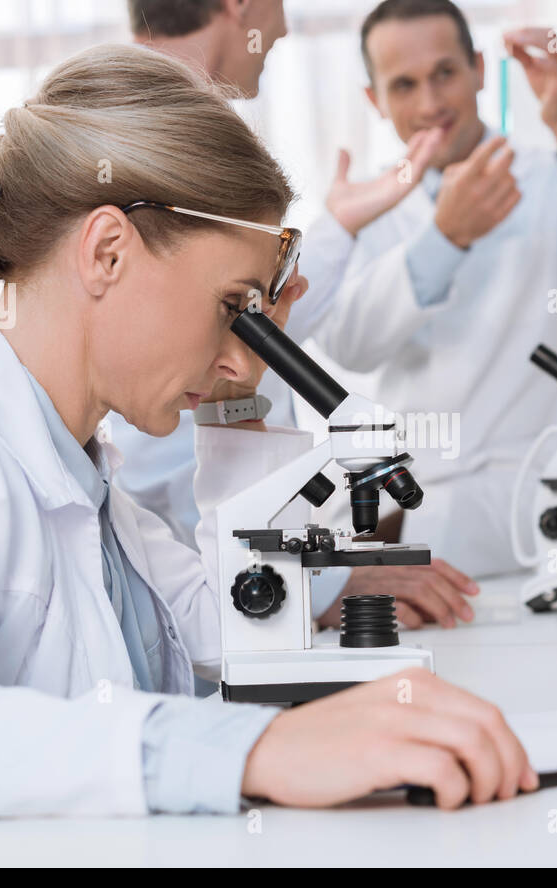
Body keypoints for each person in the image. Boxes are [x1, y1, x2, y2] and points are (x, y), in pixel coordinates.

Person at [0, 44, 535, 867]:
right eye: (233, 307)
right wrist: (250, 751)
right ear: (107, 253)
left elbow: (239, 626)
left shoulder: (97, 495)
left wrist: (242, 382)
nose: (242, 351)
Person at [115, 0, 477, 631]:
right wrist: (320, 580)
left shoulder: (173, 128)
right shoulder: (152, 142)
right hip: (195, 593)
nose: (283, 24)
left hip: (221, 577)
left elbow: (245, 335)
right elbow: (166, 441)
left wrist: (338, 227)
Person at [305, 0, 557, 578]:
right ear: (375, 100)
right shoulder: (371, 206)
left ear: (479, 68)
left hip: (534, 510)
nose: (430, 103)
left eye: (445, 73)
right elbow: (350, 343)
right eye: (405, 85)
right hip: (414, 517)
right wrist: (445, 239)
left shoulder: (556, 175)